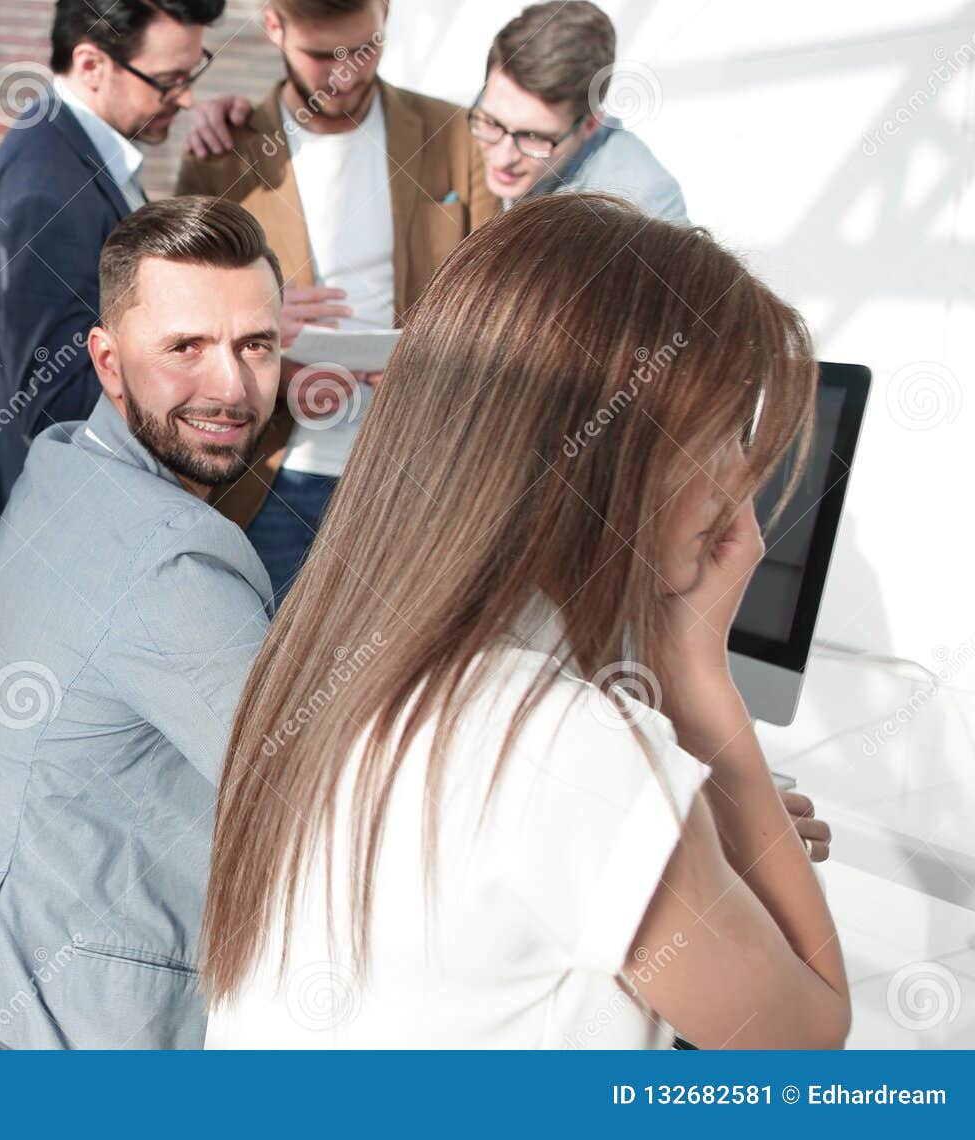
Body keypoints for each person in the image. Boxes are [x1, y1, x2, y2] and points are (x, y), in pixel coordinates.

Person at [203, 193, 849, 1049]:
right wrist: (695, 672)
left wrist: (680, 825)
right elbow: (806, 1045)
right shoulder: (565, 749)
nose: (744, 478)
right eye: (729, 430)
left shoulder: (331, 656)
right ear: (625, 446)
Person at [0, 198, 279, 1049]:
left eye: (256, 345)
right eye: (185, 348)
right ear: (108, 361)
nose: (232, 387)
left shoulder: (64, 464)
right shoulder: (174, 563)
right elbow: (328, 806)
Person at [176, 0, 495, 604]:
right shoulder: (223, 154)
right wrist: (262, 343)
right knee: (263, 685)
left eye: (364, 48)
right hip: (271, 480)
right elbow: (180, 322)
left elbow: (497, 301)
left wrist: (428, 366)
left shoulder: (454, 134)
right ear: (274, 27)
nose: (344, 74)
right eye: (322, 56)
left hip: (415, 476)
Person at [0, 0, 225, 587]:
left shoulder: (79, 153)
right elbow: (62, 396)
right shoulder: (44, 188)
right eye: (170, 80)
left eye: (193, 73)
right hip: (58, 544)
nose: (187, 98)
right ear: (92, 63)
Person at [468, 1, 687, 219]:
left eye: (533, 137)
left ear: (590, 124)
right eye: (491, 122)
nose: (503, 158)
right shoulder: (460, 132)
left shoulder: (647, 205)